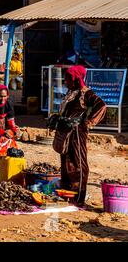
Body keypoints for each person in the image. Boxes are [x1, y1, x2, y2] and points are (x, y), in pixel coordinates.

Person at [54, 65, 106, 207]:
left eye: (68, 79)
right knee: (66, 162)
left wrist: (88, 122)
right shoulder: (72, 92)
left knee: (79, 163)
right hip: (67, 132)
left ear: (76, 79)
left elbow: (101, 106)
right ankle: (67, 193)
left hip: (77, 133)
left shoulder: (86, 93)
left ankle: (78, 198)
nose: (65, 82)